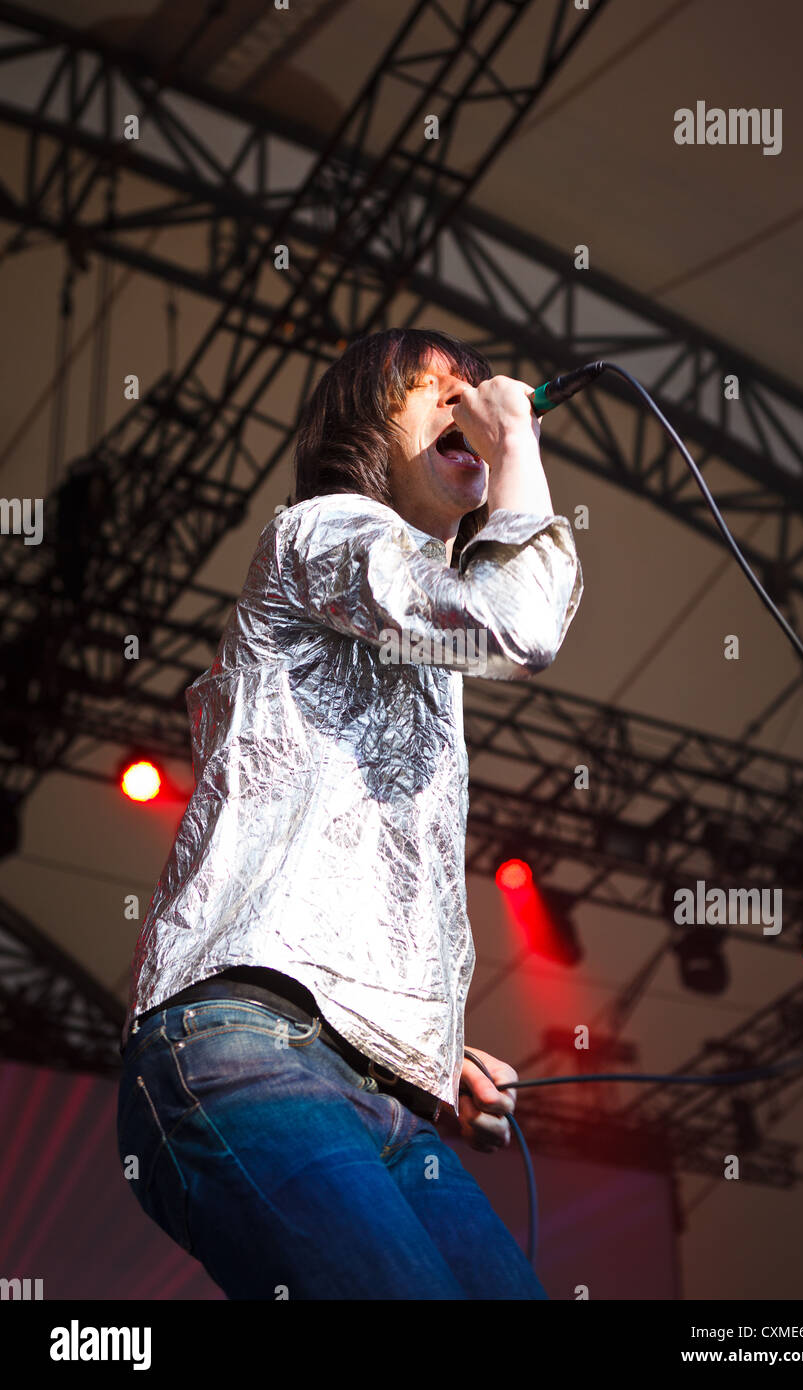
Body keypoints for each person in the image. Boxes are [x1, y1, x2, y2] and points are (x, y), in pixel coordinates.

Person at [116, 327, 582, 1300]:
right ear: (366, 424)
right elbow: (521, 621)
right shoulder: (320, 529)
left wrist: (420, 1045)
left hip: (385, 1096)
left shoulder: (418, 634)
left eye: (474, 388)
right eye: (436, 390)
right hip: (240, 1042)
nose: (467, 401)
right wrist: (517, 451)